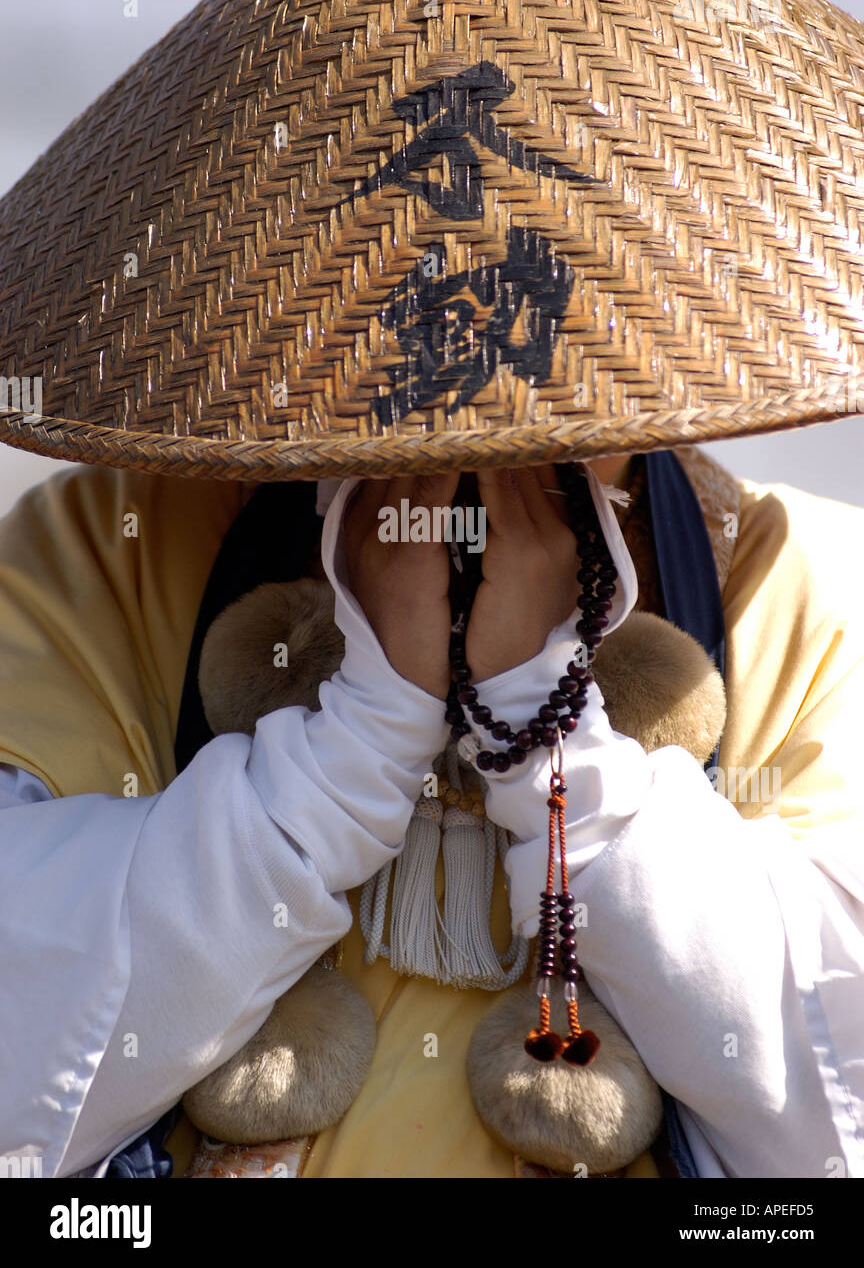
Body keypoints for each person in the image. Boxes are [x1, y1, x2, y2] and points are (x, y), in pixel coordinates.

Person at [0, 442, 862, 1179]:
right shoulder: (104, 545)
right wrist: (347, 756)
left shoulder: (804, 581)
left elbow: (831, 1123)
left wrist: (549, 722)